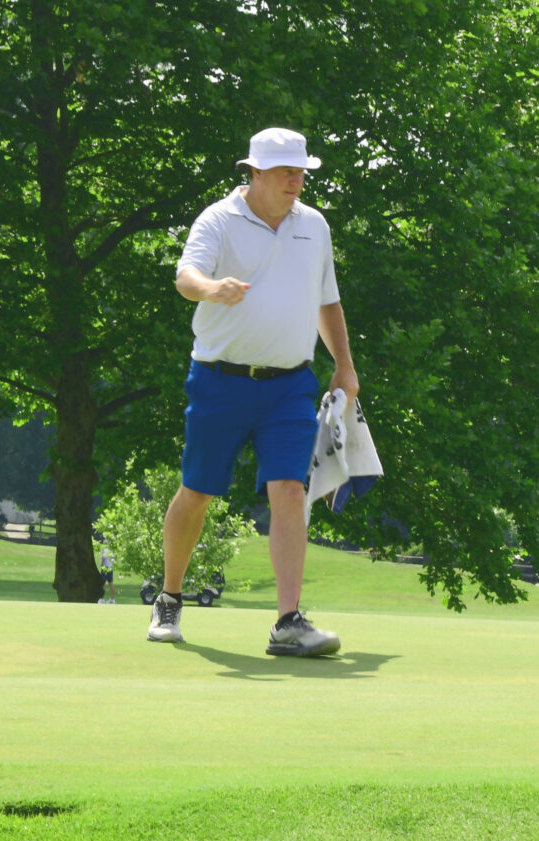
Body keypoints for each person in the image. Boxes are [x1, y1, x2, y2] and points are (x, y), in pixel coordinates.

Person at [147, 128, 356, 657]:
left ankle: (288, 621)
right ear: (255, 172)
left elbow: (327, 301)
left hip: (290, 385)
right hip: (220, 380)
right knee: (197, 490)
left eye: (301, 170)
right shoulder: (218, 219)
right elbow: (185, 275)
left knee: (289, 489)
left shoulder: (315, 225)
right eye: (286, 171)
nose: (297, 179)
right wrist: (211, 288)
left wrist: (345, 368)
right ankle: (169, 598)